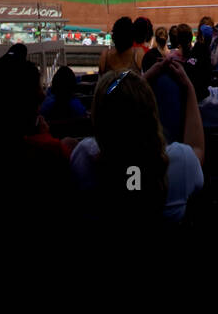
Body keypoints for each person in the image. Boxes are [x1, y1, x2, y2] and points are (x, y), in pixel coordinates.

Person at [71, 58, 204, 224]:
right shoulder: (180, 162)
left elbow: (118, 107)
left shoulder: (83, 157)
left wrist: (139, 81)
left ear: (97, 118)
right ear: (151, 113)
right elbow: (197, 148)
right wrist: (189, 88)